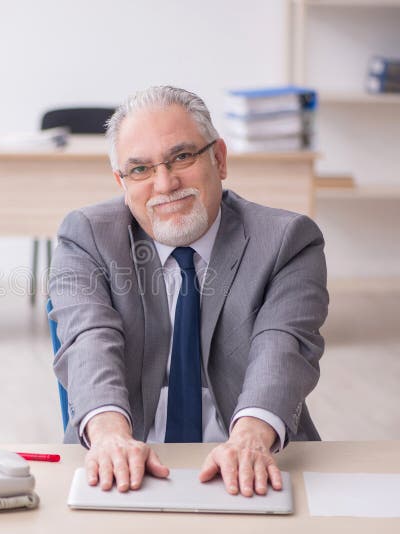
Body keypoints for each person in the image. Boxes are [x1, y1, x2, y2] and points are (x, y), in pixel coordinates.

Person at [48, 86, 328, 498]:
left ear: (219, 159)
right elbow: (89, 339)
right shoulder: (87, 237)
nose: (165, 184)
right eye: (140, 169)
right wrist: (110, 437)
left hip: (255, 462)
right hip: (125, 466)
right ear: (121, 182)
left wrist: (249, 439)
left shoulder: (287, 241)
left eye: (182, 157)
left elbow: (282, 347)